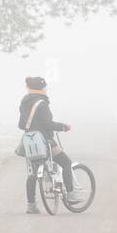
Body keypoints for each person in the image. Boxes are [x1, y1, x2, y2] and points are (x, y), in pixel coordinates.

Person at [17, 75, 74, 213]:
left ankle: (31, 206)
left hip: (29, 142)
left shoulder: (24, 102)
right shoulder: (42, 103)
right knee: (66, 162)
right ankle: (71, 194)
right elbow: (48, 124)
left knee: (32, 175)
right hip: (45, 141)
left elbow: (21, 125)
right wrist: (63, 126)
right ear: (42, 88)